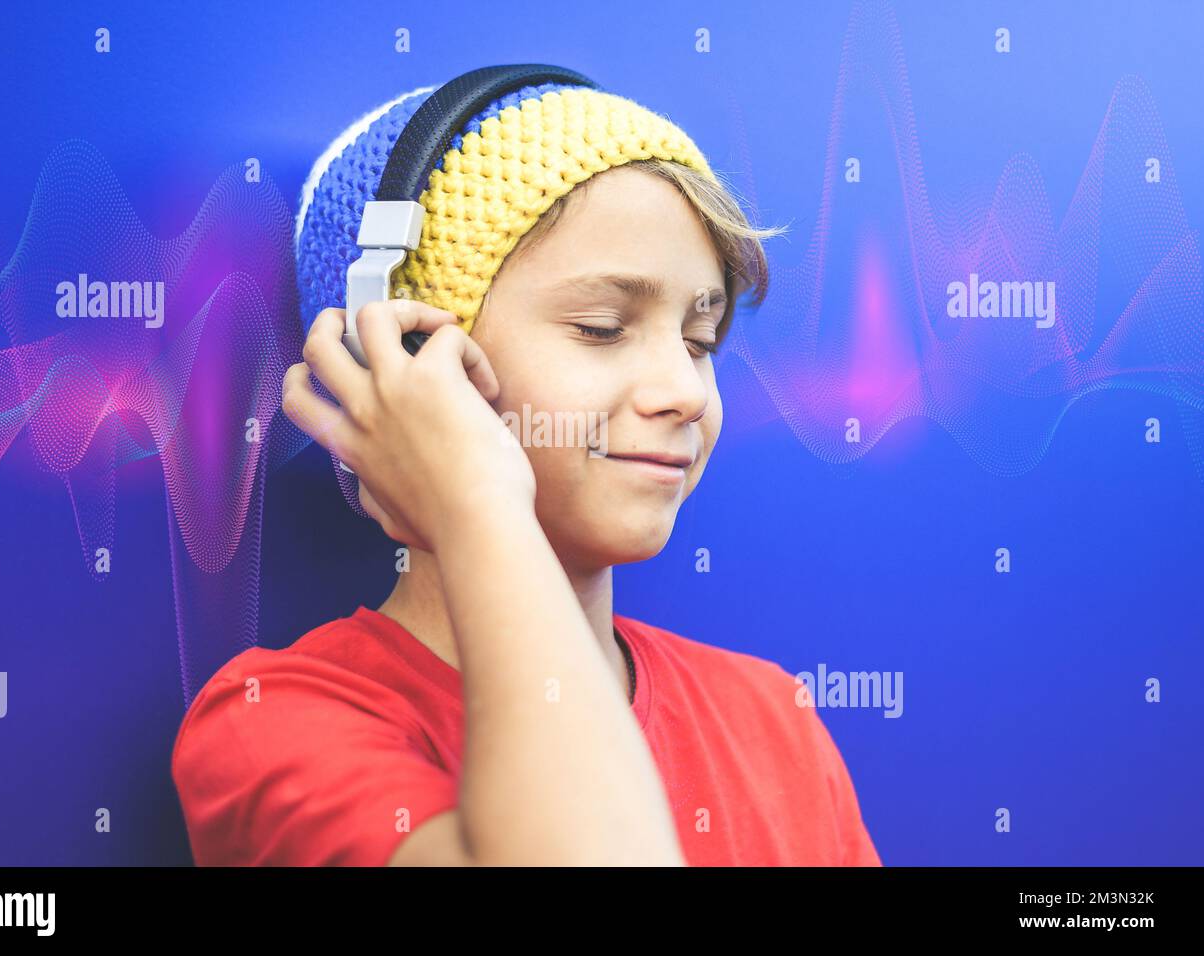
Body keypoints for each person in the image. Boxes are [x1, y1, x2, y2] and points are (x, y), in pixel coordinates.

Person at [171, 78, 882, 867]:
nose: (686, 392)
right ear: (405, 359)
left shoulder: (769, 716)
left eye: (699, 341)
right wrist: (476, 499)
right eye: (602, 328)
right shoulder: (276, 723)